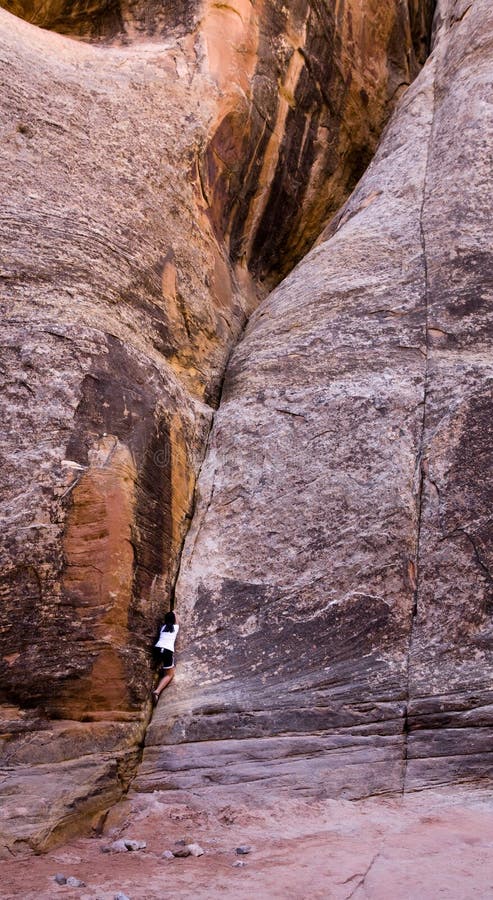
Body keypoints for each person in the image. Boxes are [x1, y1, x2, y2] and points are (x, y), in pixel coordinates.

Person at [151, 610, 179, 705]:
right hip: (167, 651)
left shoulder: (162, 627)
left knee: (164, 666)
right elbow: (177, 620)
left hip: (157, 649)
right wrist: (174, 613)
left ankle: (160, 667)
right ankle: (157, 691)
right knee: (170, 674)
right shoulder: (176, 627)